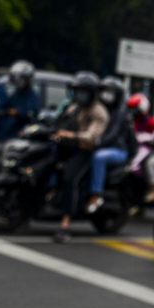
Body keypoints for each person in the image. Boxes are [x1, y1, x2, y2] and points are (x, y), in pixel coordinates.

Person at [52, 71, 108, 243]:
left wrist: (69, 135)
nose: (80, 95)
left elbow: (92, 137)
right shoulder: (73, 107)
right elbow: (58, 122)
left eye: (83, 91)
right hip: (67, 147)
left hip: (84, 151)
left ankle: (65, 224)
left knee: (71, 180)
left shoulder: (99, 112)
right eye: (78, 91)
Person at [86, 77, 134, 214]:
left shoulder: (121, 112)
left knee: (99, 157)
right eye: (104, 91)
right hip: (101, 146)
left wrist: (97, 143)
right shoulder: (99, 108)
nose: (105, 95)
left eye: (110, 92)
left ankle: (96, 194)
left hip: (117, 150)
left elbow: (113, 134)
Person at [0, 60, 42, 141]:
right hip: (7, 133)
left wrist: (18, 112)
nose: (18, 81)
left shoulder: (32, 96)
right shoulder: (16, 94)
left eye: (22, 78)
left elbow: (32, 114)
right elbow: (5, 106)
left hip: (22, 134)